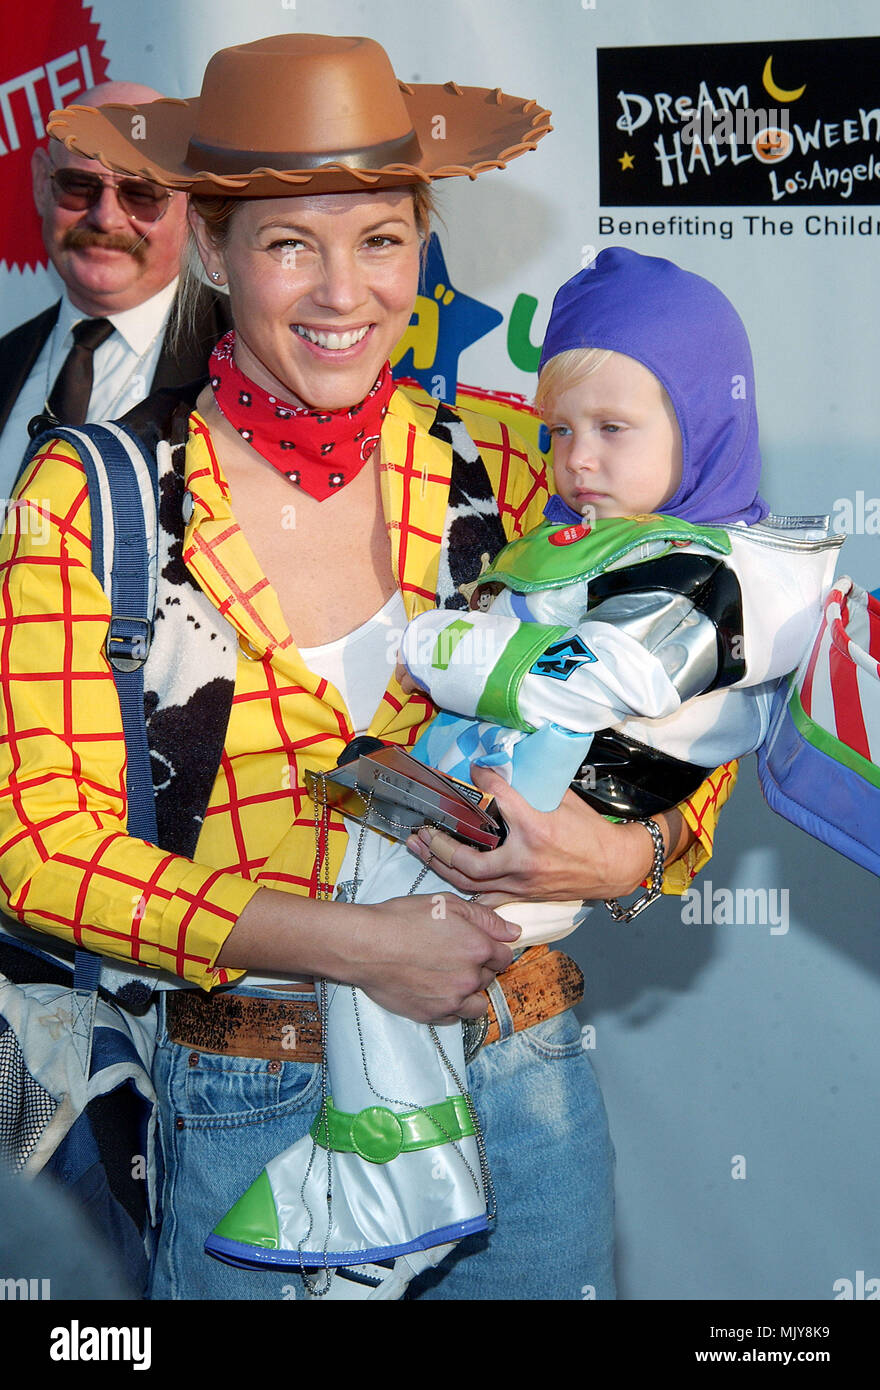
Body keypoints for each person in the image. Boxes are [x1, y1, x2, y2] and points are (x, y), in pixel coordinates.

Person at [0, 34, 736, 1302]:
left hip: (524, 1080)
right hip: (246, 1103)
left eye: (382, 238)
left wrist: (626, 855)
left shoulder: (514, 461)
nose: (344, 290)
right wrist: (352, 944)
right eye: (291, 242)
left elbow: (692, 687)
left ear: (420, 248)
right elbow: (36, 844)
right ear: (217, 253)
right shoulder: (95, 493)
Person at [209, 248, 839, 1296]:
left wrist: (632, 847)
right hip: (331, 962)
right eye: (559, 432)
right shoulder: (580, 528)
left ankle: (397, 1172)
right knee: (375, 892)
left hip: (521, 923)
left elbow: (583, 681)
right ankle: (395, 1164)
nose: (575, 458)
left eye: (612, 430)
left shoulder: (726, 566)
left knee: (397, 916)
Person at [0, 81, 230, 494]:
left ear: (192, 209)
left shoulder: (246, 360)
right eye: (78, 186)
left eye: (141, 194)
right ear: (40, 183)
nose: (106, 219)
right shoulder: (7, 360)